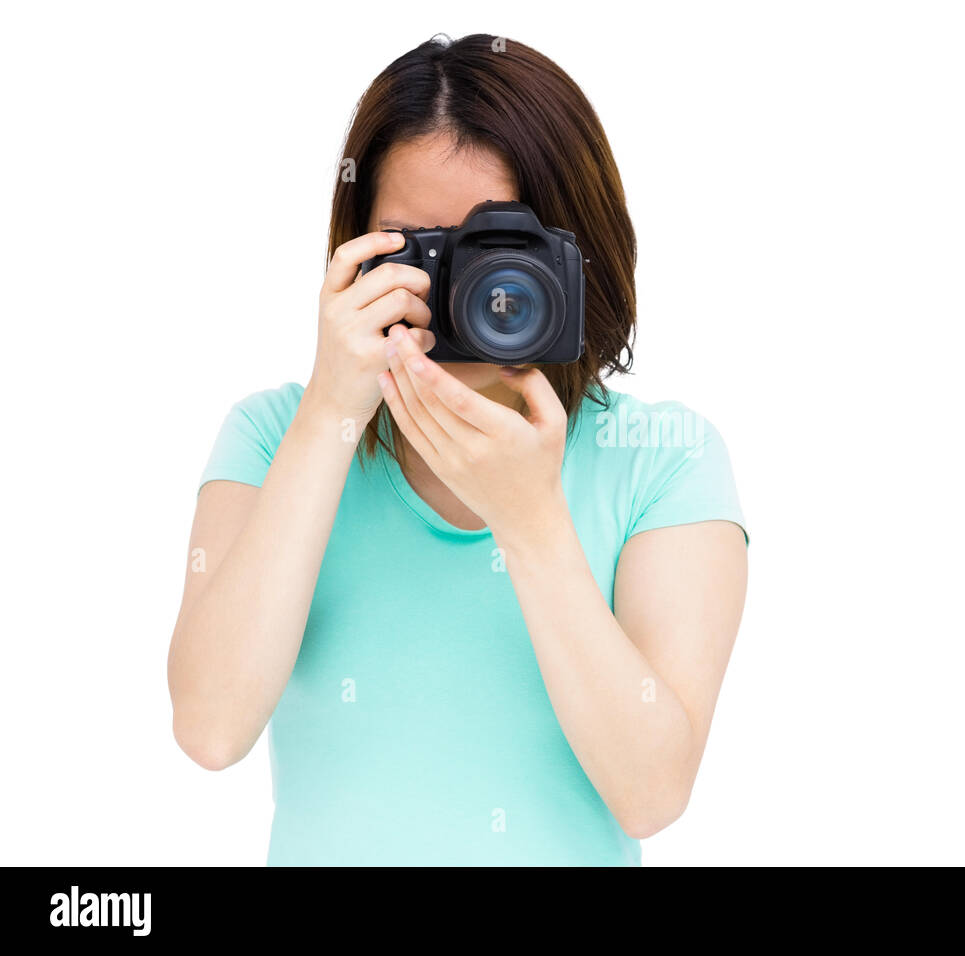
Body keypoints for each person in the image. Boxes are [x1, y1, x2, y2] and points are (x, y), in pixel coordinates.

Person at [167, 33, 748, 866]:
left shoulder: (664, 458)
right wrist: (332, 408)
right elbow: (210, 730)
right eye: (423, 250)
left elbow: (652, 794)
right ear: (355, 249)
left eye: (500, 249)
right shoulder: (271, 438)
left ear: (576, 256)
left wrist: (531, 521)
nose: (475, 293)